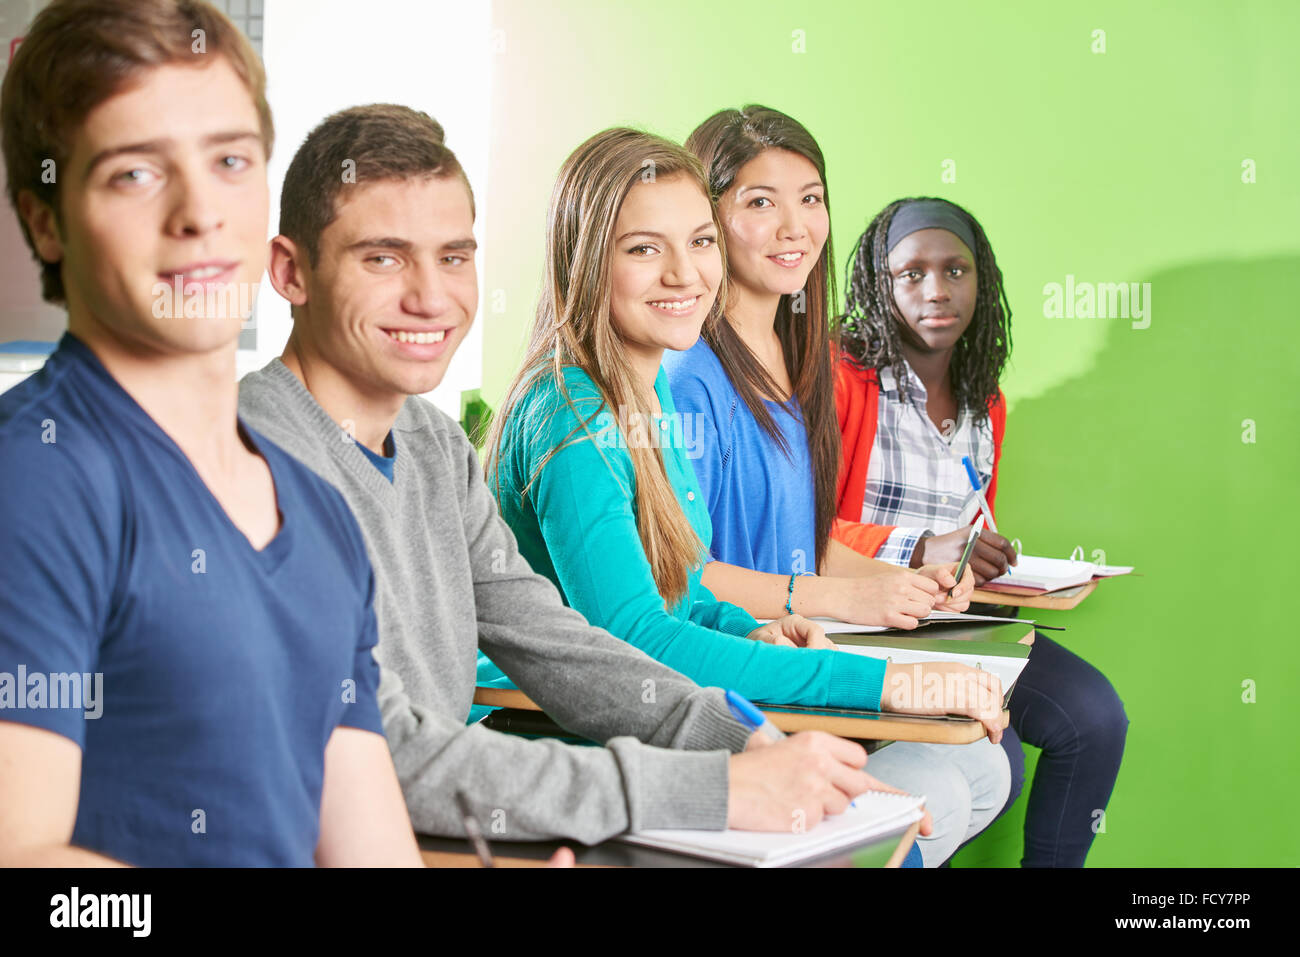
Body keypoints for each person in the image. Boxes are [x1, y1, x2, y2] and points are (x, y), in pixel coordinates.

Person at [236, 104, 906, 848]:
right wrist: (712, 785)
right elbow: (382, 748)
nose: (430, 295)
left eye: (455, 257)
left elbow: (559, 643)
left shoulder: (429, 442)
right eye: (384, 258)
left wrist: (749, 744)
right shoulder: (255, 453)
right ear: (291, 272)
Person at [484, 127, 1006, 865]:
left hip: (651, 722)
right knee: (894, 824)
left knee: (946, 785)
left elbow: (680, 585)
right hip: (567, 744)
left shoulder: (648, 384)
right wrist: (890, 680)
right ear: (584, 259)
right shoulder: (573, 415)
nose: (683, 273)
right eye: (643, 249)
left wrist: (746, 627)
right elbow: (632, 639)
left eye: (699, 242)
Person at [0, 0, 420, 866]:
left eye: (230, 159)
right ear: (44, 218)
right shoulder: (36, 481)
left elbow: (369, 848)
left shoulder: (321, 514)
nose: (199, 212)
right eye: (134, 173)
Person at [664, 106, 1013, 865]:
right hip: (736, 680)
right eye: (761, 201)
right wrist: (844, 598)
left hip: (799, 655)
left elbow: (803, 537)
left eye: (811, 198)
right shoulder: (687, 377)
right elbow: (681, 582)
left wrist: (900, 581)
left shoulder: (799, 364)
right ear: (708, 216)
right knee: (932, 796)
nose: (795, 227)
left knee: (985, 765)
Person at [834, 195, 1129, 866]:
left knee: (1094, 717)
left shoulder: (984, 397)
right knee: (997, 763)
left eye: (955, 270)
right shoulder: (842, 380)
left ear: (981, 280)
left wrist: (985, 558)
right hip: (862, 615)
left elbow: (972, 520)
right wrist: (914, 548)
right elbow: (797, 535)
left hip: (952, 616)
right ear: (881, 286)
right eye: (911, 273)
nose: (936, 290)